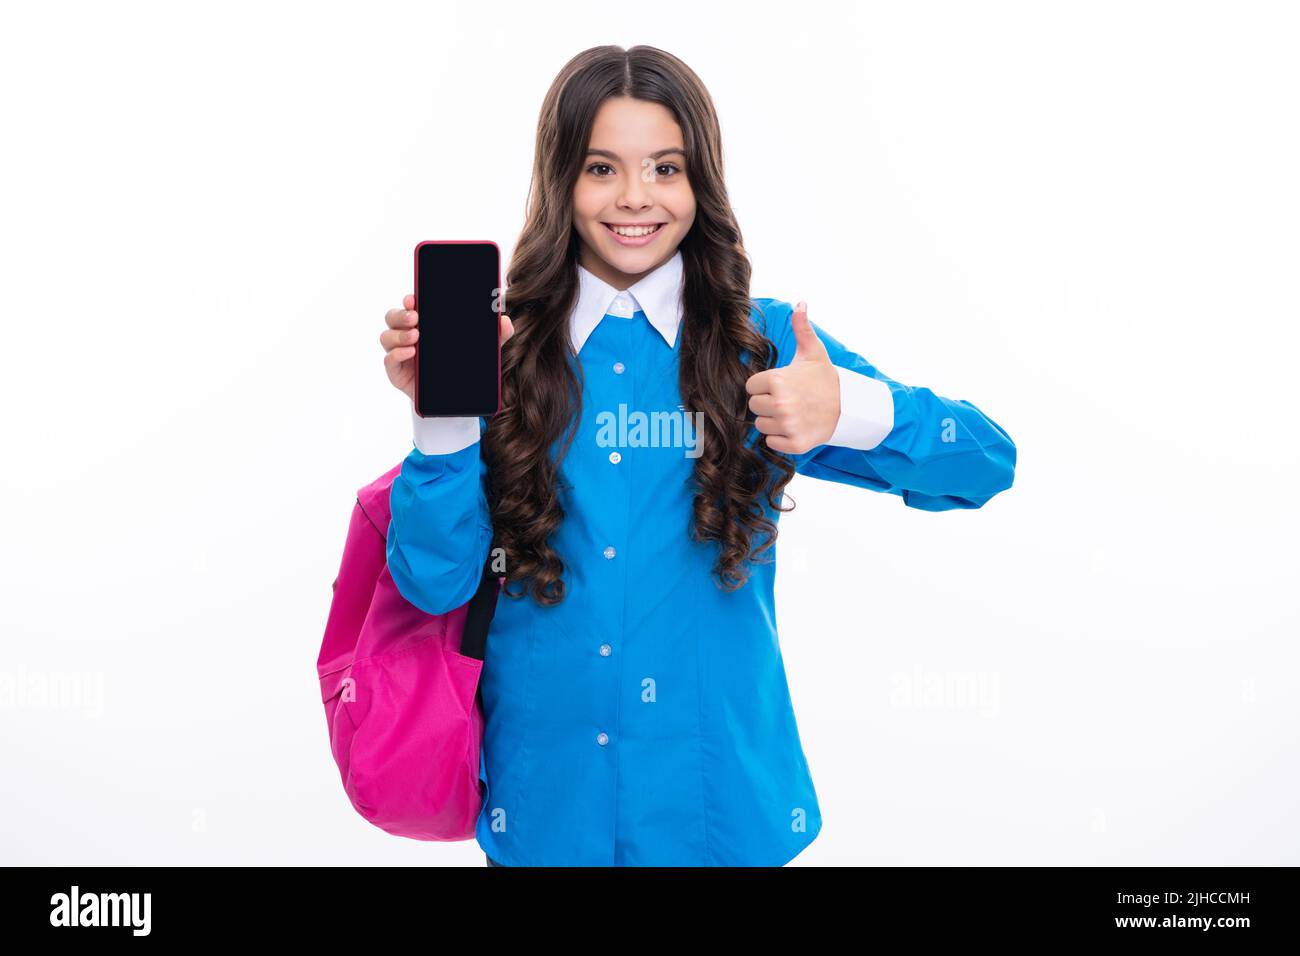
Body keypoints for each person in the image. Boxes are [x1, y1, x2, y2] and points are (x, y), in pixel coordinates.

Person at [378, 45, 1016, 867]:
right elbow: (433, 581)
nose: (635, 198)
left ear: (700, 181)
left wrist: (850, 410)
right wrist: (442, 423)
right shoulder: (501, 347)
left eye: (665, 168)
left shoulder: (766, 345)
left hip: (723, 817)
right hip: (544, 816)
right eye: (601, 168)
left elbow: (983, 463)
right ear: (560, 179)